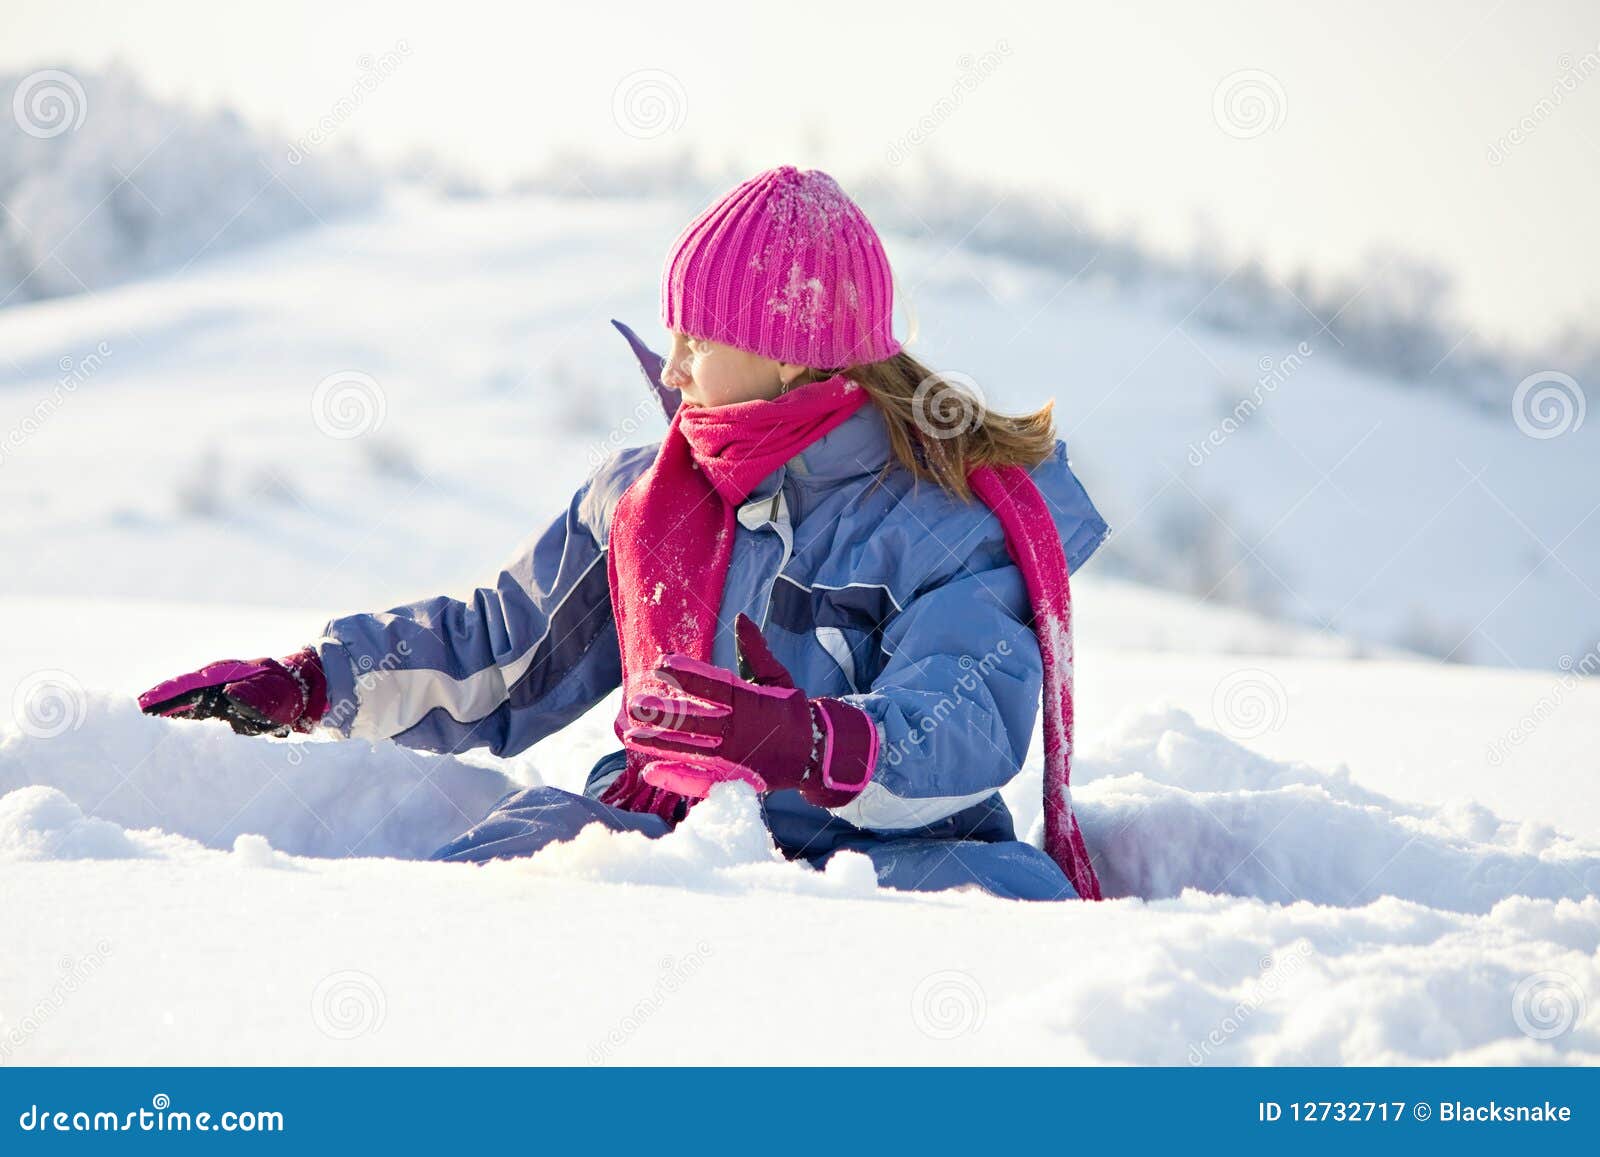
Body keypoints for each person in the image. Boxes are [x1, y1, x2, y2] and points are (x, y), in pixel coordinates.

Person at [138, 165, 1111, 902]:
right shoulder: (643, 498)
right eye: (674, 334)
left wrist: (809, 741)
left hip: (888, 865)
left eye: (699, 338)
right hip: (665, 839)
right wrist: (317, 681)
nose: (674, 368)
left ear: (787, 352)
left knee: (1014, 912)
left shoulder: (940, 524)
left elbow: (967, 716)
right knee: (488, 892)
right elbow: (498, 649)